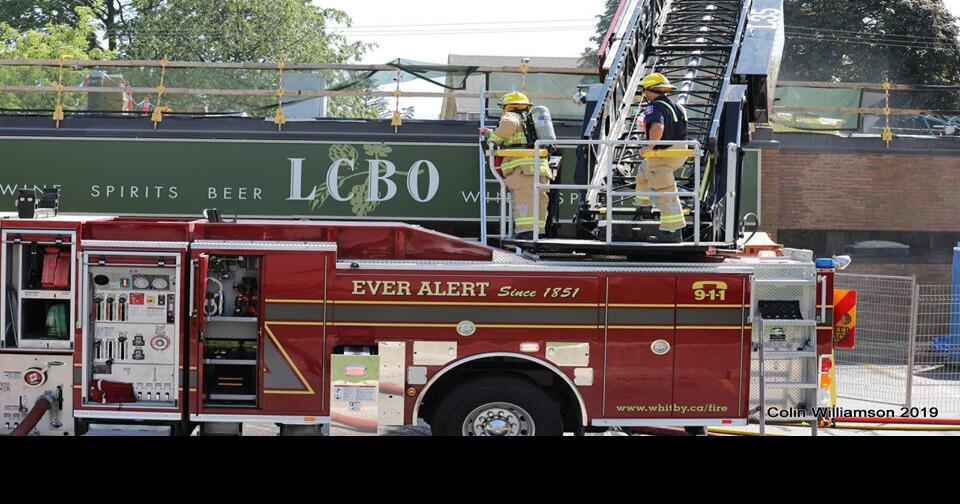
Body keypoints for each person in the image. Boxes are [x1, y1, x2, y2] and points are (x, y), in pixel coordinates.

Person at [480, 91, 552, 240]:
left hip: (522, 170)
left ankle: (526, 234)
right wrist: (489, 132)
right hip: (541, 168)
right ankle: (538, 233)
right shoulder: (532, 120)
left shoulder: (511, 115)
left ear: (509, 106)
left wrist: (493, 138)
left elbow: (508, 125)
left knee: (524, 201)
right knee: (539, 201)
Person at [634, 72, 690, 244]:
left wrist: (649, 146)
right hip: (678, 151)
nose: (644, 95)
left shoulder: (653, 107)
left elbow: (658, 126)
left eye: (644, 91)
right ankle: (643, 206)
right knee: (643, 172)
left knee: (666, 191)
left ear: (650, 91)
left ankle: (672, 232)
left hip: (662, 154)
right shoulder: (677, 106)